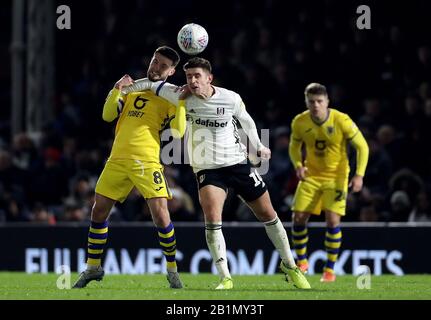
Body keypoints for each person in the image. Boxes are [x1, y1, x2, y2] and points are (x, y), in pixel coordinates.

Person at [123, 57, 311, 290]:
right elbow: (151, 84)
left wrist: (259, 146)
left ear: (209, 78)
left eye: (197, 76)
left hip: (238, 163)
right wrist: (124, 88)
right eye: (189, 76)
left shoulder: (230, 98)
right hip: (208, 170)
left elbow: (247, 121)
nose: (192, 80)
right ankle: (225, 277)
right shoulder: (179, 94)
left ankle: (290, 266)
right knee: (212, 220)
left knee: (269, 214)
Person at [72, 46, 186, 289]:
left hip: (146, 160)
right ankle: (93, 267)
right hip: (117, 159)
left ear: (172, 71)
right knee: (98, 211)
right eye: (155, 61)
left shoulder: (171, 97)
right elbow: (107, 115)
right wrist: (117, 89)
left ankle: (172, 270)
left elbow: (178, 131)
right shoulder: (134, 88)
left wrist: (183, 103)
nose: (155, 67)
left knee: (160, 214)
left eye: (162, 65)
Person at [288, 83, 369, 282]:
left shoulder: (341, 120)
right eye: (311, 102)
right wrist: (298, 164)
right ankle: (302, 262)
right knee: (298, 217)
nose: (315, 105)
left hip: (336, 177)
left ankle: (329, 270)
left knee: (332, 221)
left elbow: (363, 147)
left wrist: (359, 175)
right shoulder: (299, 121)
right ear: (306, 102)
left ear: (327, 102)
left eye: (319, 101)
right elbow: (294, 146)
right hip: (311, 176)